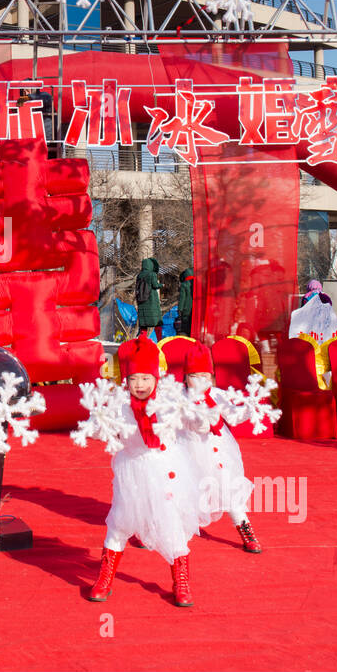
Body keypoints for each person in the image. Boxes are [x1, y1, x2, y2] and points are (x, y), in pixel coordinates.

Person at [84, 337, 205, 607]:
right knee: (118, 524)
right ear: (125, 380)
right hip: (132, 471)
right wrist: (99, 420)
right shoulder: (120, 406)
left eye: (145, 378)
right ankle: (105, 576)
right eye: (134, 379)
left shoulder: (168, 402)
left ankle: (180, 580)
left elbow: (195, 422)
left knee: (171, 525)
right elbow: (95, 432)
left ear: (156, 378)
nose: (140, 385)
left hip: (165, 470)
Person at [184, 346, 262, 553]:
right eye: (194, 376)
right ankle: (161, 529)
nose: (200, 382)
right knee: (181, 492)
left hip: (218, 452)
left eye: (205, 376)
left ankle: (245, 530)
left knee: (229, 490)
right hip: (187, 453)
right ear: (186, 377)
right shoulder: (180, 398)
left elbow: (234, 416)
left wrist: (250, 405)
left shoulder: (217, 395)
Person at [135, 257, 162, 339]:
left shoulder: (139, 276)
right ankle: (160, 341)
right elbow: (155, 285)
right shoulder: (152, 274)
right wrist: (161, 285)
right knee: (157, 323)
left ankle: (141, 343)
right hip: (152, 303)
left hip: (142, 303)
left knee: (143, 325)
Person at [177, 268, 194, 336]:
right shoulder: (197, 283)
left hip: (186, 309)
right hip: (196, 309)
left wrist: (180, 309)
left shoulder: (184, 284)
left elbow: (182, 298)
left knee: (186, 328)